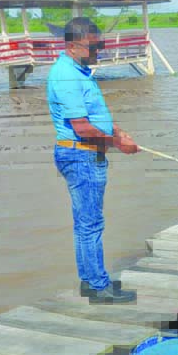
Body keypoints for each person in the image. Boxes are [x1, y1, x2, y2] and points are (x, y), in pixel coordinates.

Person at [47, 17, 141, 304]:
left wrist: (119, 132)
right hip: (81, 154)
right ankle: (99, 287)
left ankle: (91, 280)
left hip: (85, 153)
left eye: (100, 45)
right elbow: (83, 127)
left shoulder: (78, 70)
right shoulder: (66, 75)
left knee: (86, 222)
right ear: (73, 45)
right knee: (90, 224)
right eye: (93, 46)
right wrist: (118, 144)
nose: (98, 51)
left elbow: (95, 116)